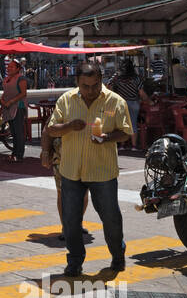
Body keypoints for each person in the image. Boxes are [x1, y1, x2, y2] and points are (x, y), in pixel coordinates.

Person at [45, 60, 132, 277]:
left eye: (95, 85)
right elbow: (51, 129)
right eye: (86, 86)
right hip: (72, 170)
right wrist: (68, 126)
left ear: (101, 80)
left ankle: (117, 254)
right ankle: (74, 260)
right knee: (71, 221)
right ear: (78, 82)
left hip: (102, 172)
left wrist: (107, 138)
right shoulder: (67, 100)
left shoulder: (115, 101)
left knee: (111, 218)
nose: (91, 90)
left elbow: (126, 132)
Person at [107, 59, 150, 148]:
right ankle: (134, 146)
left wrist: (115, 95)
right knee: (133, 123)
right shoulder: (136, 78)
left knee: (121, 124)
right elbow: (142, 93)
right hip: (134, 103)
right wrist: (149, 101)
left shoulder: (117, 76)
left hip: (120, 103)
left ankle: (122, 145)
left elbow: (108, 85)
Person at [0, 58, 30, 163]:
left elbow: (23, 93)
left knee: (18, 132)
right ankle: (14, 153)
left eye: (12, 67)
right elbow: (5, 91)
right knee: (13, 132)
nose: (9, 68)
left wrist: (11, 101)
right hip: (8, 107)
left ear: (18, 69)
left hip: (18, 107)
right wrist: (3, 100)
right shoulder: (7, 79)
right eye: (8, 66)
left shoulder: (21, 79)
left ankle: (19, 154)